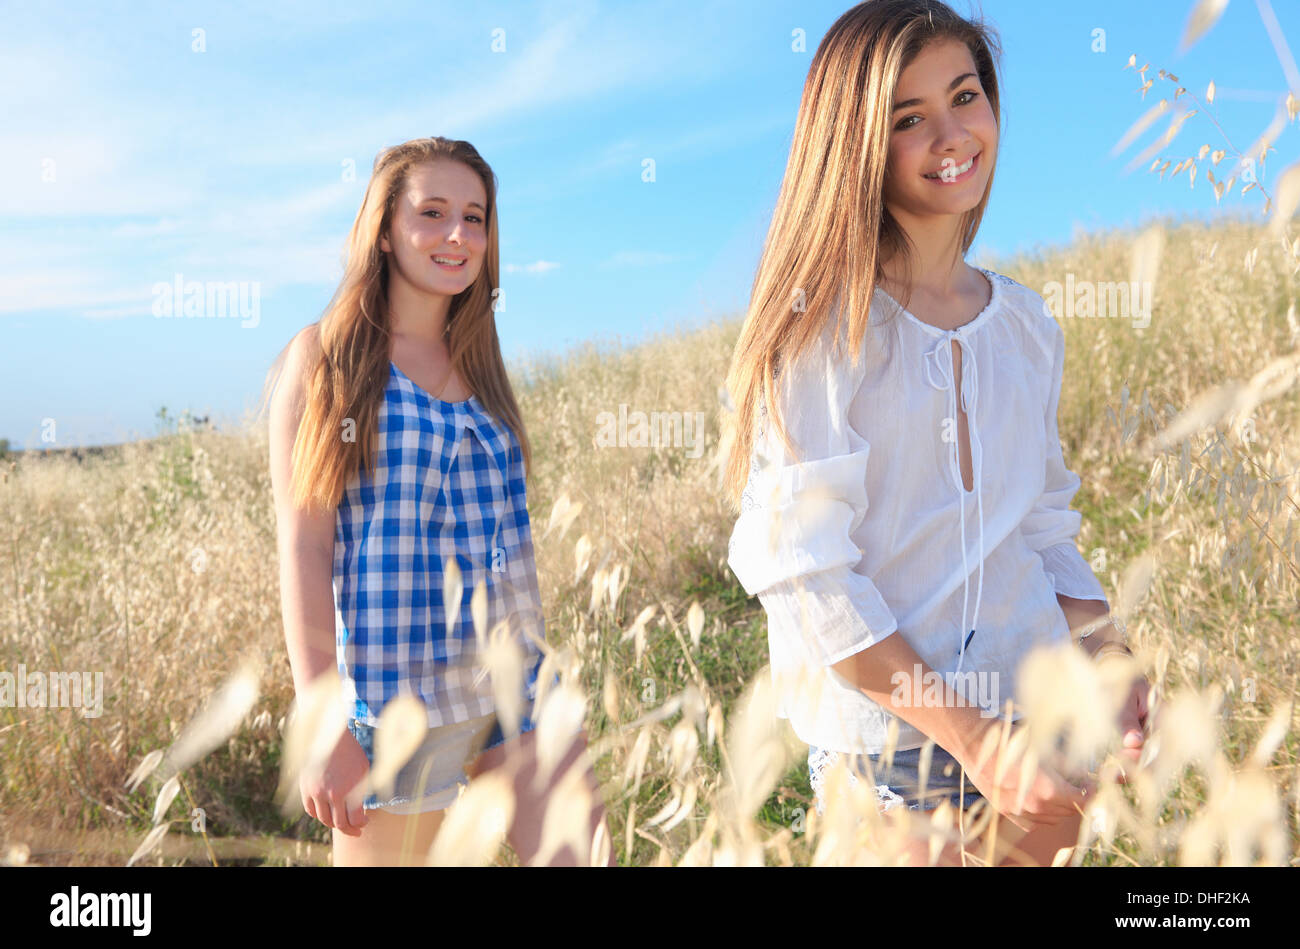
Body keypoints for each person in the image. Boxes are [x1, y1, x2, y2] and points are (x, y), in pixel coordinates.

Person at [721, 0, 1156, 866]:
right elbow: (808, 575)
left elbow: (1039, 527)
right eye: (907, 118)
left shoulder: (1026, 325)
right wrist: (971, 738)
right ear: (853, 145)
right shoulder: (822, 333)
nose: (951, 134)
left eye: (966, 97)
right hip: (892, 746)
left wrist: (1110, 653)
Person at [262, 136, 614, 866]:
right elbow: (303, 547)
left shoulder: (482, 368)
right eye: (433, 213)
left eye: (476, 218)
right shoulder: (327, 358)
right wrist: (322, 723)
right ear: (385, 230)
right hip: (398, 703)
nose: (458, 235)